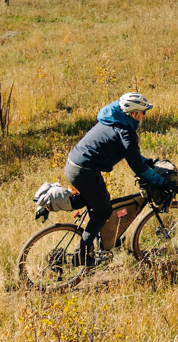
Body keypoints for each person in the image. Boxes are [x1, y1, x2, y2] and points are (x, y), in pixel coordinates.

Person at [63, 91, 154, 257]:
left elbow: (131, 155)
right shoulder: (125, 132)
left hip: (73, 164)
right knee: (103, 211)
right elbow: (137, 166)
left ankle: (105, 242)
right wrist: (160, 180)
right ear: (134, 114)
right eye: (143, 112)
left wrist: (146, 162)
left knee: (100, 203)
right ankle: (83, 255)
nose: (144, 116)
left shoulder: (113, 119)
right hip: (84, 171)